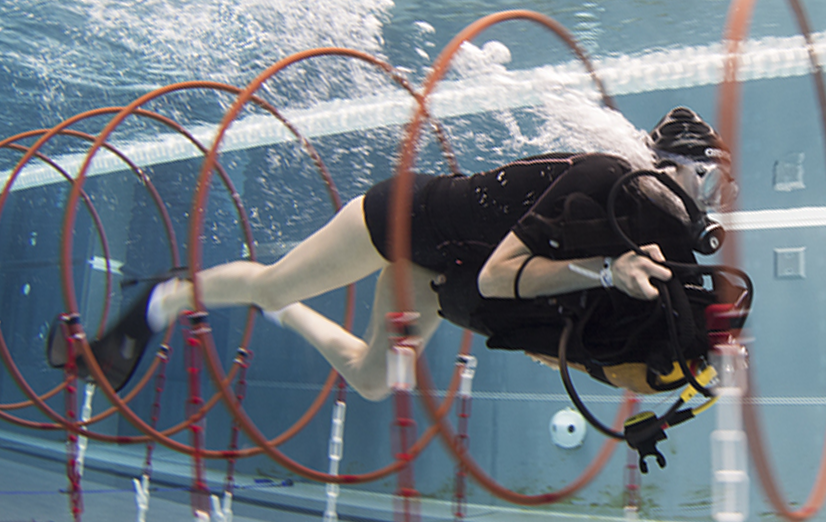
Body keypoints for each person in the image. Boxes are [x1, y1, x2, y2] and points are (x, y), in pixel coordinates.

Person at [48, 107, 739, 400]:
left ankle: (280, 311)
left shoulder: (653, 232)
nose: (723, 200)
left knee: (378, 382)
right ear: (687, 168)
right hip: (403, 218)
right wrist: (604, 270)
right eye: (720, 179)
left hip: (440, 264)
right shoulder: (604, 179)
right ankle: (162, 299)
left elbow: (549, 317)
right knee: (272, 282)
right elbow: (503, 279)